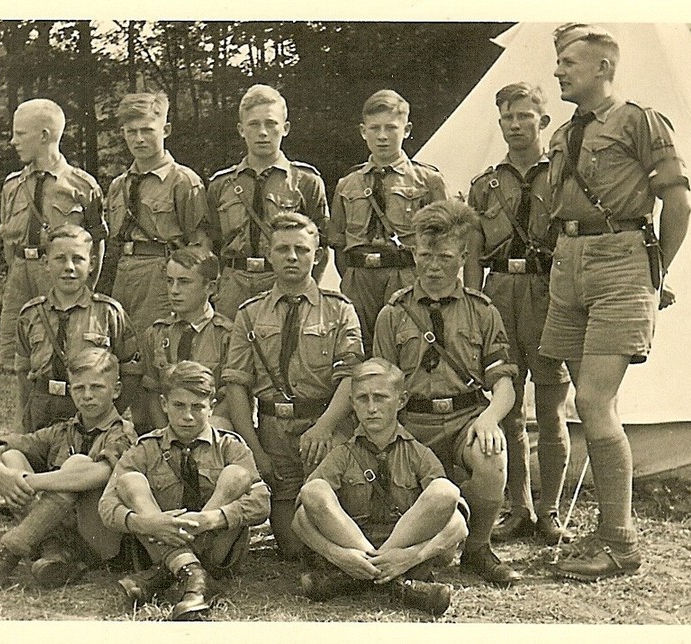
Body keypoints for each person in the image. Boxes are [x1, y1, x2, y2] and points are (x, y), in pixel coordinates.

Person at [542, 24, 690, 582]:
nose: (558, 70)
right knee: (592, 402)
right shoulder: (562, 134)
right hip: (570, 263)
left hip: (620, 261)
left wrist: (656, 274)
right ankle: (609, 526)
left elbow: (678, 204)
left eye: (570, 63)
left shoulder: (640, 121)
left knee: (593, 400)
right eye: (558, 62)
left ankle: (621, 544)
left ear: (604, 66)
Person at [373, 199, 521, 586]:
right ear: (413, 253)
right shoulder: (393, 314)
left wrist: (489, 418)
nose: (434, 266)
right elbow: (380, 385)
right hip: (411, 423)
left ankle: (478, 549)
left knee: (492, 453)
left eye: (445, 256)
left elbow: (503, 385)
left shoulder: (482, 311)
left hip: (463, 420)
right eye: (425, 255)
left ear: (464, 255)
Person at [464, 82, 573, 545]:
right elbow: (471, 253)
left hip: (551, 293)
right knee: (505, 409)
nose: (515, 125)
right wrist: (471, 306)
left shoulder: (565, 176)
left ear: (544, 122)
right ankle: (518, 507)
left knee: (550, 408)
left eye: (525, 116)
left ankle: (549, 511)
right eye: (508, 117)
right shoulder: (485, 184)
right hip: (500, 293)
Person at [223, 213, 364, 559]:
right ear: (268, 254)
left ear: (317, 256)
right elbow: (236, 385)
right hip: (275, 433)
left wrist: (325, 427)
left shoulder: (339, 310)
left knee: (328, 514)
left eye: (301, 250)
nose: (292, 257)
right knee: (293, 548)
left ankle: (353, 559)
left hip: (327, 430)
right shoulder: (250, 314)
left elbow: (351, 378)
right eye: (282, 249)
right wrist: (256, 450)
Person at [293, 359, 468, 616]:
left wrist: (411, 557)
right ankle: (393, 584)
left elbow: (459, 525)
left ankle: (360, 580)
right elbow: (300, 520)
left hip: (404, 554)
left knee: (445, 491)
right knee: (313, 490)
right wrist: (338, 555)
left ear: (401, 400)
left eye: (381, 397)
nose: (372, 408)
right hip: (354, 550)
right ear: (352, 403)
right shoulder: (342, 455)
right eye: (363, 399)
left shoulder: (418, 453)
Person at [98, 361, 270, 621]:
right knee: (129, 481)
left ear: (211, 407)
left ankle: (170, 573)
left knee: (236, 475)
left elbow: (262, 501)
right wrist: (145, 522)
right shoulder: (146, 448)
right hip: (157, 538)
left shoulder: (230, 446)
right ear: (164, 404)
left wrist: (212, 518)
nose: (187, 416)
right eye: (179, 406)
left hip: (216, 549)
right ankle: (195, 578)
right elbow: (107, 504)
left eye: (197, 407)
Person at [0, 348, 137, 594]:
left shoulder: (124, 433)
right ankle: (54, 554)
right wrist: (1, 473)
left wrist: (31, 482)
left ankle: (5, 558)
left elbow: (99, 473)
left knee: (76, 464)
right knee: (12, 456)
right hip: (59, 527)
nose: (87, 396)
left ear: (116, 390)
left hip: (101, 536)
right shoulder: (63, 431)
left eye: (97, 387)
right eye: (79, 388)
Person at [330, 89, 449, 354]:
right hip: (359, 281)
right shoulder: (347, 184)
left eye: (391, 128)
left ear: (406, 130)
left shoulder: (427, 181)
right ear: (363, 131)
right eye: (374, 128)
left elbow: (442, 242)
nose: (382, 136)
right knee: (358, 351)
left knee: (406, 347)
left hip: (405, 277)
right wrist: (353, 277)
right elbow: (337, 242)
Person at [0, 98, 106, 370]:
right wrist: (20, 270)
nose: (13, 141)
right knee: (18, 359)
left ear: (44, 135)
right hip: (20, 275)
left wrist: (85, 288)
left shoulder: (81, 185)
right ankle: (26, 412)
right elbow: (8, 240)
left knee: (63, 353)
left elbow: (97, 243)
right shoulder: (13, 186)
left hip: (61, 277)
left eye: (20, 134)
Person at [207, 84, 330, 319]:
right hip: (234, 285)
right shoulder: (220, 184)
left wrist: (306, 288)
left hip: (283, 282)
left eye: (271, 124)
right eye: (254, 124)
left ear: (285, 128)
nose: (263, 132)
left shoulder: (306, 181)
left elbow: (321, 247)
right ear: (241, 130)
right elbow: (211, 243)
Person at [16, 224, 140, 433]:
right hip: (42, 410)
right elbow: (23, 373)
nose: (69, 267)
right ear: (46, 263)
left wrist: (109, 415)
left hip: (90, 412)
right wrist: (22, 423)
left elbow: (131, 371)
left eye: (77, 259)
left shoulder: (108, 313)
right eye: (60, 259)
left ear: (91, 264)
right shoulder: (31, 314)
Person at [104, 92, 211, 336]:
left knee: (157, 349)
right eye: (132, 132)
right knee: (121, 348)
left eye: (147, 130)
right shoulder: (119, 185)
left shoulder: (183, 181)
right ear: (123, 134)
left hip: (162, 276)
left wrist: (186, 290)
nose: (139, 139)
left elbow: (199, 245)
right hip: (124, 275)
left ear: (165, 130)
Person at [140, 247, 235, 432]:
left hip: (211, 430)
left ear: (210, 287)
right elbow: (152, 392)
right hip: (166, 432)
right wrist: (166, 435)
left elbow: (231, 397)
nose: (174, 290)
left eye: (184, 282)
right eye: (170, 281)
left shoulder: (226, 336)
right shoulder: (156, 333)